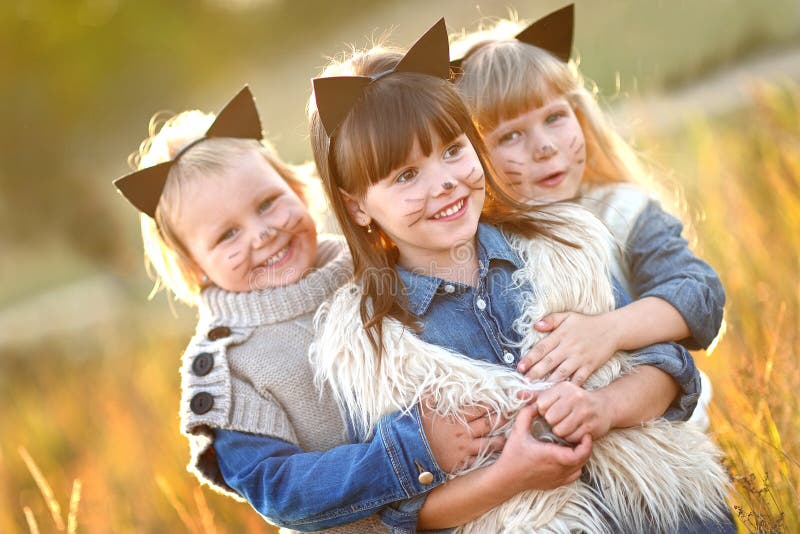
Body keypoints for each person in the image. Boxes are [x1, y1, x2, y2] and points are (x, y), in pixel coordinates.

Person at [308, 19, 733, 533]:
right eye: (407, 175)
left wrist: (601, 407)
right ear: (358, 207)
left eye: (452, 150)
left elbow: (668, 369)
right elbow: (407, 510)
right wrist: (508, 477)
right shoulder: (371, 346)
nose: (444, 183)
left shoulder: (566, 247)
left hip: (667, 513)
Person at [113, 86, 519, 532]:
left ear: (298, 189)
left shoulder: (374, 261)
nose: (262, 234)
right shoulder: (227, 368)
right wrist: (415, 451)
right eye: (227, 235)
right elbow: (279, 489)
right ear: (193, 266)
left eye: (268, 203)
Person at [450, 4, 725, 430]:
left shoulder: (622, 212)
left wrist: (607, 331)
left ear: (580, 115)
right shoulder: (482, 244)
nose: (544, 147)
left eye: (555, 117)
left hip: (660, 430)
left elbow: (700, 294)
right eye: (511, 135)